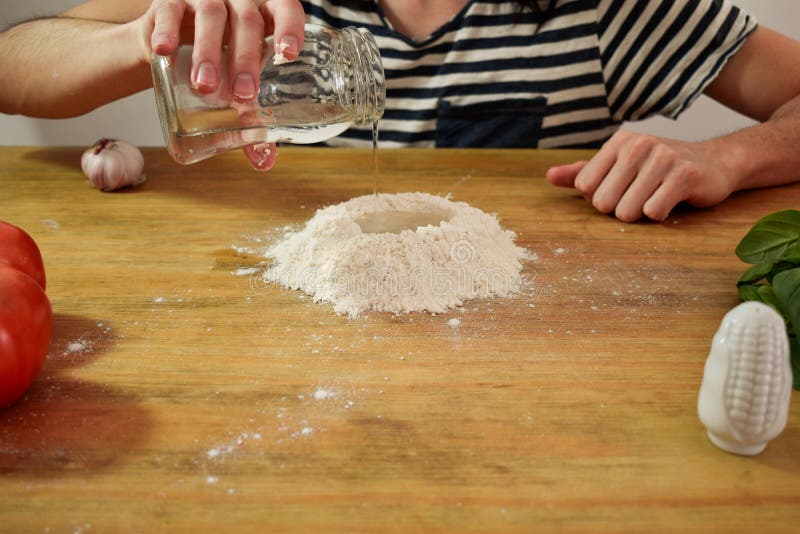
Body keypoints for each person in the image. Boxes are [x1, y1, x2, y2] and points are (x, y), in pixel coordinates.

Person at [1, 1, 799, 222]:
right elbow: (12, 68)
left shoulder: (604, 12)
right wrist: (142, 39)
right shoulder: (265, 5)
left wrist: (727, 157)